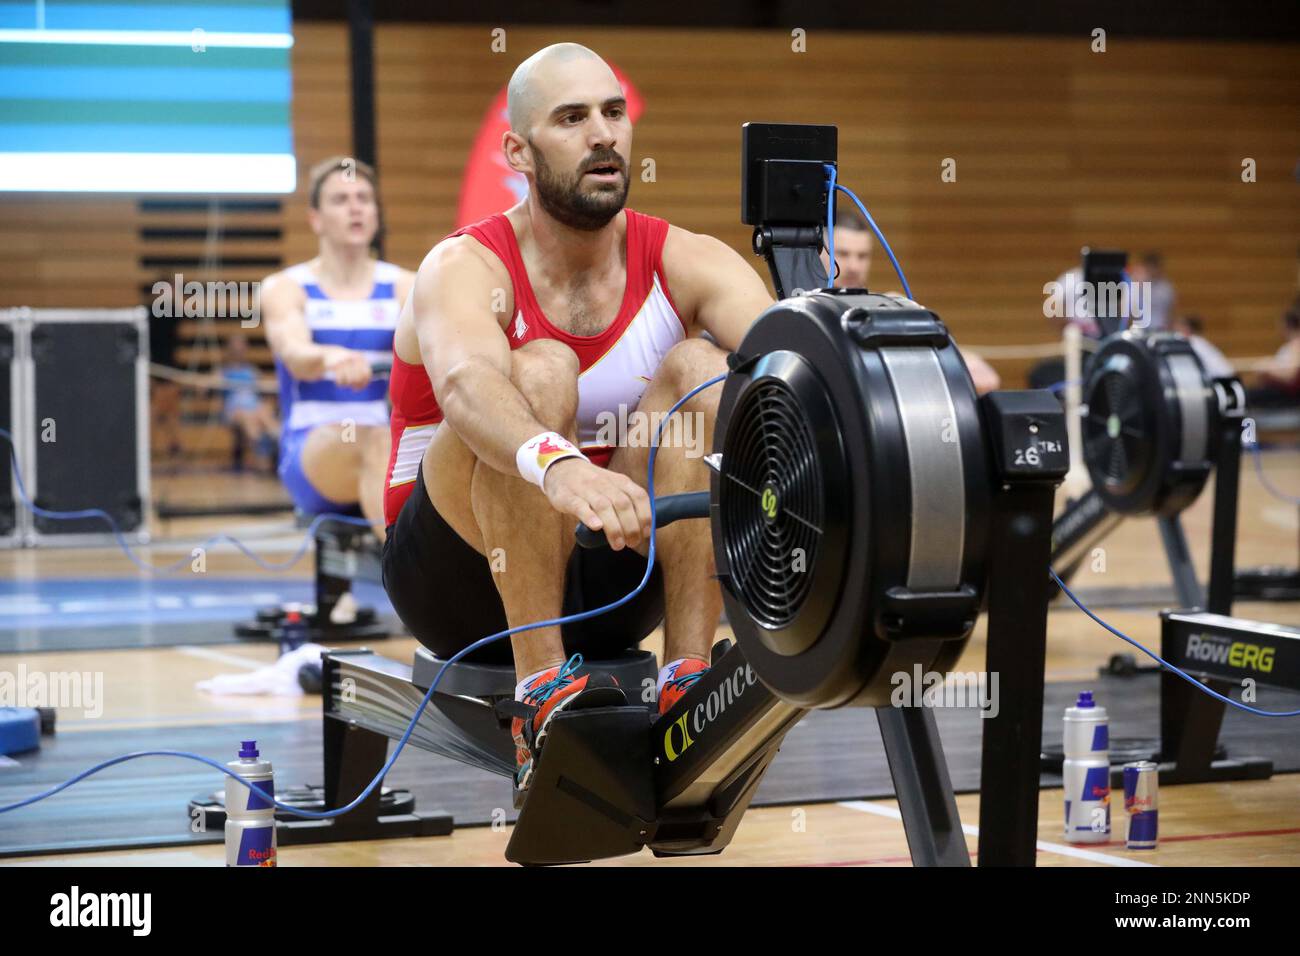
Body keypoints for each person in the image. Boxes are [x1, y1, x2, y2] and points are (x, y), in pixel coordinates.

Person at [380, 43, 774, 792]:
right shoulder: (463, 267)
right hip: (459, 586)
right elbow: (465, 386)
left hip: (614, 582)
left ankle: (688, 677)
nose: (603, 133)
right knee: (541, 367)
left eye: (613, 112)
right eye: (572, 118)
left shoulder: (687, 258)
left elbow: (789, 364)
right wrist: (556, 463)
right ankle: (538, 699)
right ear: (518, 152)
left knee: (703, 371)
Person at [259, 157, 414, 534]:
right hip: (311, 450)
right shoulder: (286, 287)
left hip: (386, 442)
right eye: (341, 200)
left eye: (364, 198)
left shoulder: (405, 286)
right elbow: (294, 353)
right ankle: (410, 578)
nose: (356, 207)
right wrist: (330, 357)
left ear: (376, 214)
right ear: (315, 218)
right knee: (376, 441)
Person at [822, 202, 1000, 394]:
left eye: (862, 256)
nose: (854, 266)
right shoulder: (794, 311)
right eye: (842, 254)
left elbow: (947, 354)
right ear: (818, 253)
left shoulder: (891, 307)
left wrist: (965, 359)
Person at [219, 332, 279, 472]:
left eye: (242, 347)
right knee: (248, 418)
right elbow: (204, 384)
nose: (239, 350)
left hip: (254, 406)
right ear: (230, 349)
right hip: (235, 408)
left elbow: (265, 387)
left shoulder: (251, 370)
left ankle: (277, 442)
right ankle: (263, 458)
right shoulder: (223, 370)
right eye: (236, 347)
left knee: (264, 411)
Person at [1247, 299, 1300, 410]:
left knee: (1246, 396)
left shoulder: (1296, 344)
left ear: (1287, 325)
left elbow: (1290, 375)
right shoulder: (1291, 345)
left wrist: (1267, 369)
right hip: (1281, 391)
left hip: (1289, 395)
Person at [1170, 314, 1233, 379]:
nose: (1174, 332)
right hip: (1218, 377)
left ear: (1187, 328)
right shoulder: (1195, 341)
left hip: (1221, 378)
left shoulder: (1194, 342)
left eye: (1177, 328)